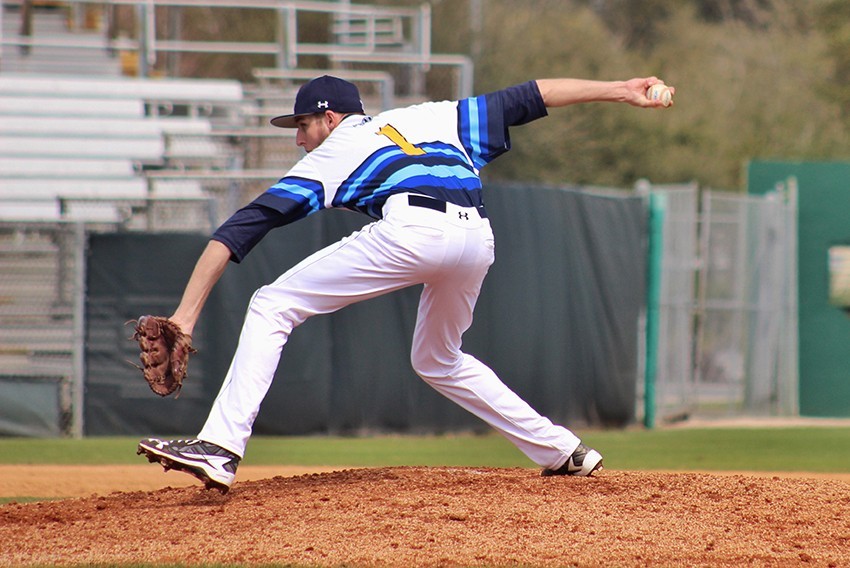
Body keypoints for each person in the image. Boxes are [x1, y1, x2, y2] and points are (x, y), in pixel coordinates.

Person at [137, 74, 675, 493]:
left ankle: (220, 447)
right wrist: (619, 90)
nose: (299, 139)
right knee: (437, 357)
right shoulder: (435, 116)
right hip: (476, 237)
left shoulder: (334, 151)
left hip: (414, 230)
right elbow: (531, 95)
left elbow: (242, 227)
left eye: (302, 124)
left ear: (330, 117)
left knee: (272, 303)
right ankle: (562, 451)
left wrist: (185, 316)